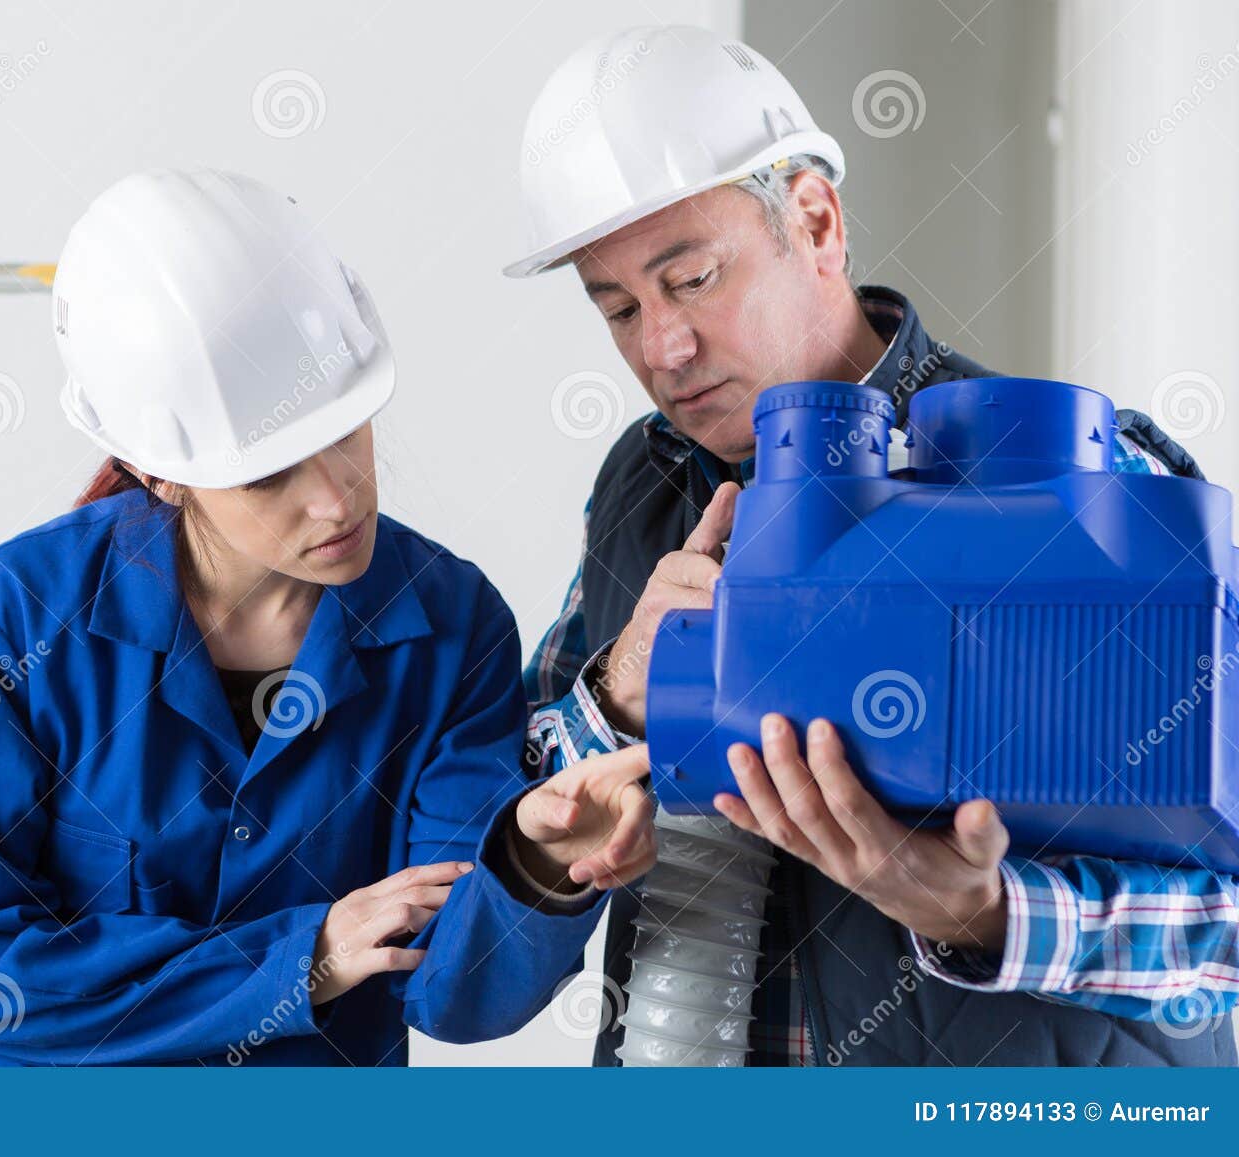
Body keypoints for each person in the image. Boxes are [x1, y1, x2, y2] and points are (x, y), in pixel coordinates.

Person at [508, 26, 1239, 1066]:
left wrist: (989, 913)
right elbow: (525, 798)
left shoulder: (1074, 484)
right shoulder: (643, 485)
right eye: (618, 307)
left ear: (814, 219)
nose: (660, 349)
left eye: (693, 279)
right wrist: (611, 696)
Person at [0, 168, 655, 1066]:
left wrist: (531, 865)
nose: (336, 501)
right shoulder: (18, 619)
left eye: (345, 429)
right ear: (161, 472)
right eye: (269, 471)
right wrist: (304, 959)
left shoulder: (449, 625)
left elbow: (451, 990)